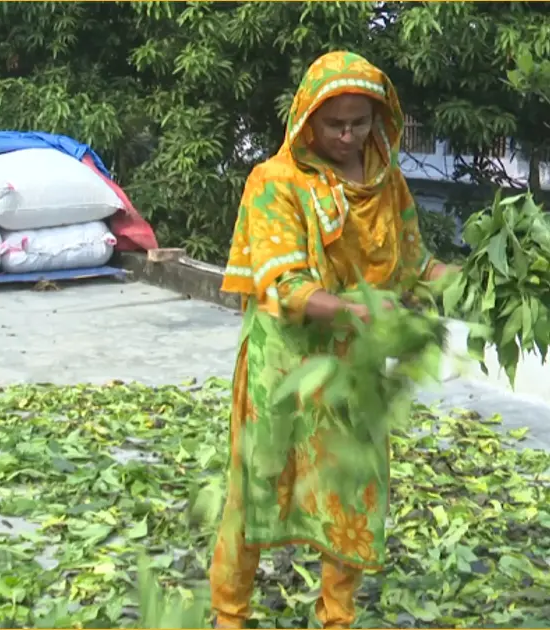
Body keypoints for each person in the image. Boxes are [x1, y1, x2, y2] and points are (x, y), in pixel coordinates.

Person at [209, 50, 457, 628]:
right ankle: (229, 615)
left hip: (354, 367)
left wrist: (486, 283)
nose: (348, 136)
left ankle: (337, 617)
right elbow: (285, 284)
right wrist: (358, 309)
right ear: (306, 120)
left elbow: (416, 264)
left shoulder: (387, 182)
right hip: (286, 365)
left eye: (360, 122)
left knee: (351, 491)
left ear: (380, 118)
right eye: (334, 123)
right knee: (258, 488)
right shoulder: (275, 182)